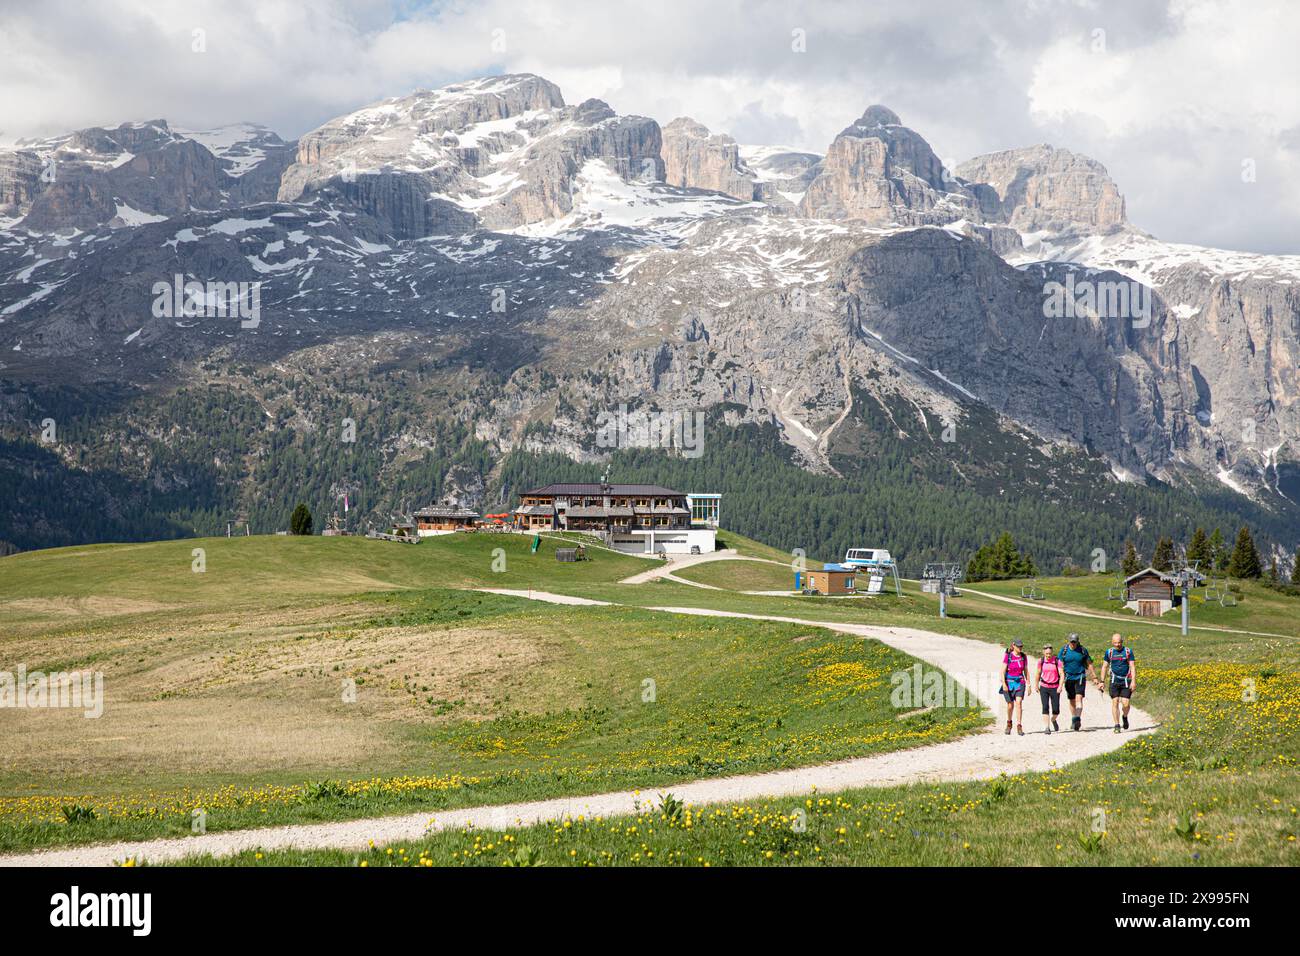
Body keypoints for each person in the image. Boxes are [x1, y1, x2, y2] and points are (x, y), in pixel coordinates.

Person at [1057, 633, 1098, 731]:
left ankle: (1077, 718)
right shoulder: (1064, 650)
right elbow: (1060, 663)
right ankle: (1073, 718)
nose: (1073, 644)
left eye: (1075, 642)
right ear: (1069, 641)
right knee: (1071, 700)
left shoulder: (1083, 650)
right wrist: (1060, 678)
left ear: (1078, 641)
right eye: (1071, 642)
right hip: (1069, 678)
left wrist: (1094, 677)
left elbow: (1089, 664)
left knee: (1079, 698)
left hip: (1080, 677)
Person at [1098, 632, 1136, 733]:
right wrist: (1101, 681)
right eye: (1115, 643)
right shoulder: (1109, 652)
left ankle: (1125, 716)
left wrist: (1133, 681)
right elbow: (1104, 667)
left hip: (1126, 681)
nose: (1117, 645)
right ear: (1112, 642)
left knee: (1126, 704)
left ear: (1122, 642)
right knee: (1115, 702)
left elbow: (1132, 666)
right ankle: (1117, 725)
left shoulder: (1128, 651)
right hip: (1114, 681)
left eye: (1119, 642)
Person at [1001, 639, 1029, 736]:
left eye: (1021, 646)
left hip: (1020, 682)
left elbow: (1026, 671)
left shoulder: (1023, 657)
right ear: (1013, 646)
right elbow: (1002, 671)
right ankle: (1009, 723)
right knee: (1010, 705)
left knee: (1019, 703)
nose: (1020, 648)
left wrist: (1028, 684)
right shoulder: (1008, 656)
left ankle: (1019, 725)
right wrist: (1004, 684)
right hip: (1009, 683)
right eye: (1018, 646)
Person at [1034, 643, 1063, 734]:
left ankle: (1053, 719)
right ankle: (1047, 727)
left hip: (1055, 687)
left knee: (1056, 710)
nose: (1048, 655)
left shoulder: (1057, 661)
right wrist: (1036, 685)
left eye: (1050, 653)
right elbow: (1038, 673)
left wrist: (1060, 686)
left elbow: (1062, 674)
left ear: (1052, 652)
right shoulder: (1041, 661)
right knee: (1045, 707)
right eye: (1046, 654)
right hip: (1044, 687)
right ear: (1043, 653)